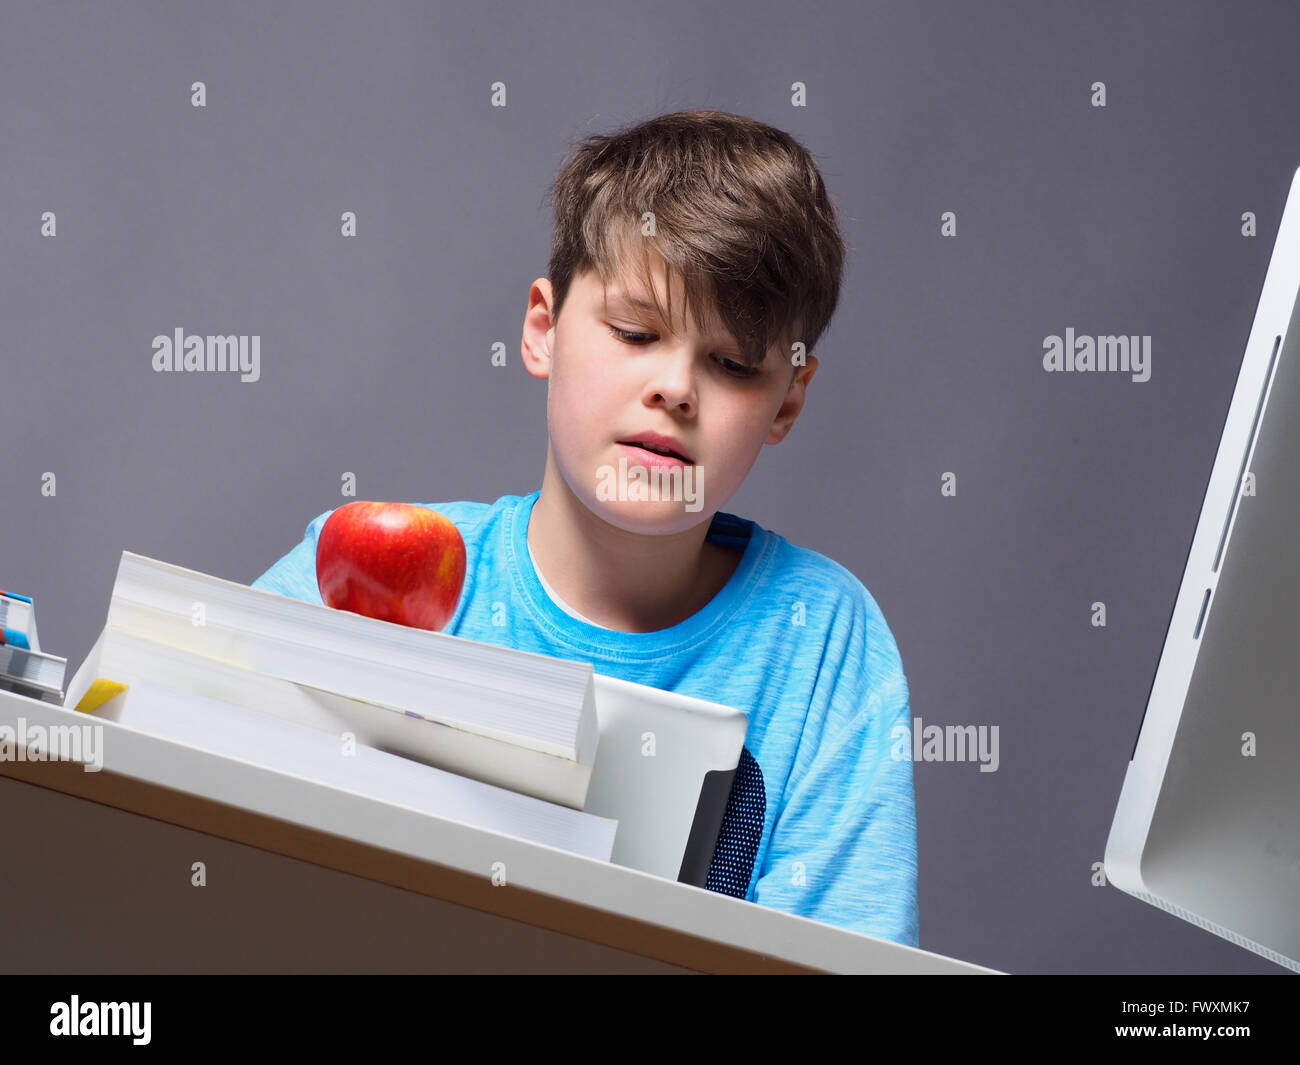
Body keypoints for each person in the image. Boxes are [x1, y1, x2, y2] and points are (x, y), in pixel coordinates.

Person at [251, 109, 918, 947]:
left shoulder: (822, 639)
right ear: (543, 328)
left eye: (734, 363)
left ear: (787, 398)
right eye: (636, 332)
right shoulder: (355, 573)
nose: (675, 387)